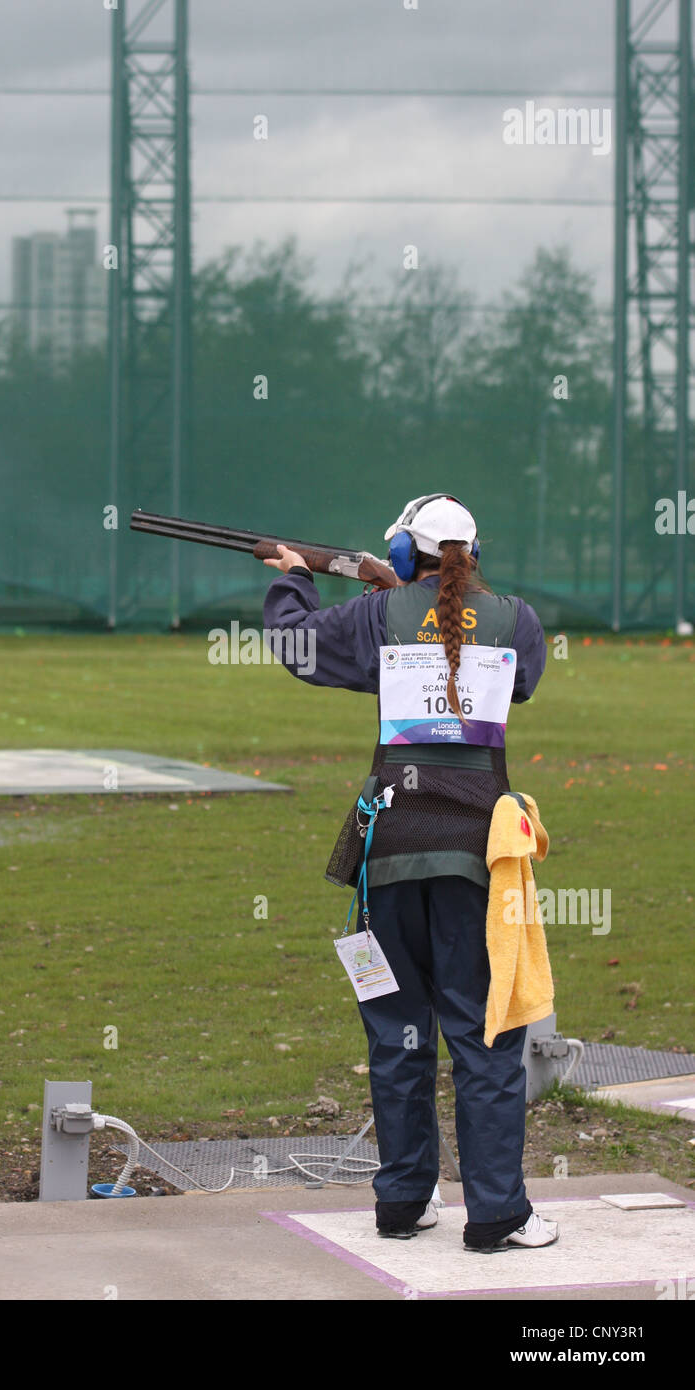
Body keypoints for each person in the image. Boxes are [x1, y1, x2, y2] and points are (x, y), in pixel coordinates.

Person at [262, 493, 558, 1253]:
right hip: (477, 856)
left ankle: (400, 1203)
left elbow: (296, 647)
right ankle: (496, 1214)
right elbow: (517, 682)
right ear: (473, 552)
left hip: (387, 851)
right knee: (485, 1038)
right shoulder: (518, 620)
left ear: (402, 559)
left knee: (398, 1035)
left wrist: (294, 577)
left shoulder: (375, 620)